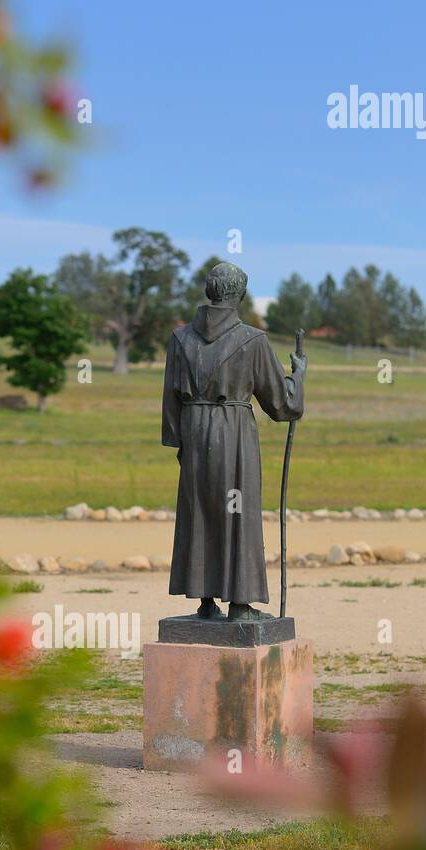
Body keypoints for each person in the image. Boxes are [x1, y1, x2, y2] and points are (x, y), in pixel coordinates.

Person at [161, 261, 307, 620]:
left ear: (210, 293)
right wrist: (298, 376)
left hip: (193, 431)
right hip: (233, 431)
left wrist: (180, 442)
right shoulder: (252, 340)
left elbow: (170, 399)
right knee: (237, 510)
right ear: (239, 295)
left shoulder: (181, 339)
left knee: (202, 510)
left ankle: (205, 602)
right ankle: (240, 605)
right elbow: (282, 404)